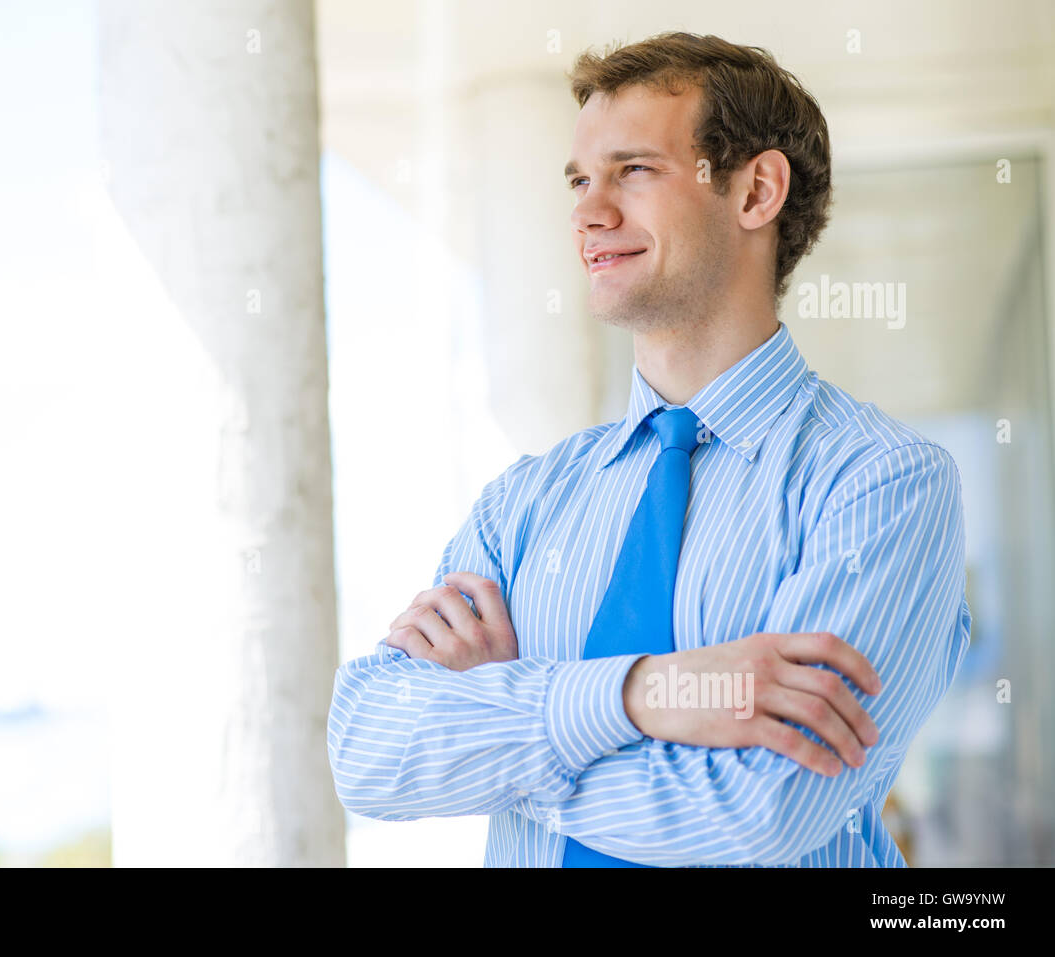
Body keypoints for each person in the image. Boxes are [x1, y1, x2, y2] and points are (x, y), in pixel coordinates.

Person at [325, 31, 971, 867]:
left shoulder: (883, 485)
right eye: (580, 181)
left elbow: (759, 809)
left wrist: (506, 731)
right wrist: (641, 693)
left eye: (633, 171)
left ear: (755, 191)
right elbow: (369, 752)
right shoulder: (525, 503)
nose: (589, 213)